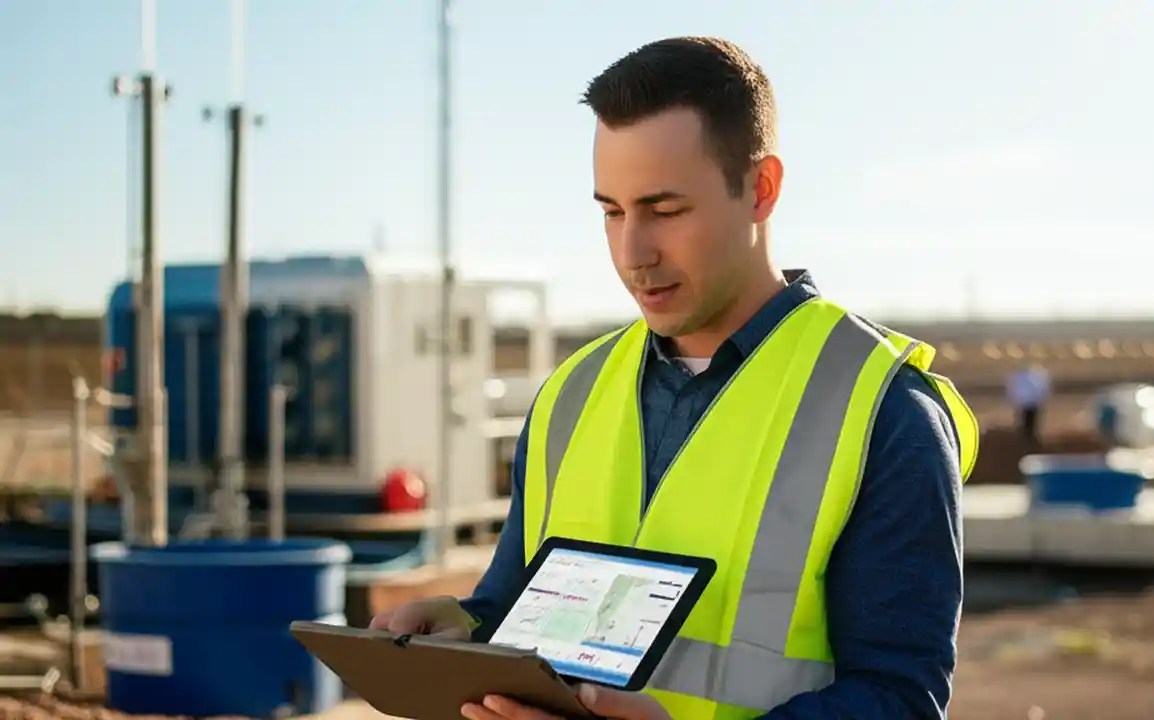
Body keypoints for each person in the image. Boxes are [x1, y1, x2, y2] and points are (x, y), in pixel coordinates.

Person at [371, 36, 979, 720]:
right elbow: (517, 608)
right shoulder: (571, 395)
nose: (632, 252)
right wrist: (466, 628)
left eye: (664, 210)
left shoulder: (884, 410)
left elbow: (900, 700)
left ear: (761, 189)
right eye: (611, 211)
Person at [1006, 363, 1051, 444]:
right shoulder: (1033, 376)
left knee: (1031, 423)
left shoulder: (1034, 376)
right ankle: (1026, 439)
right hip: (1026, 404)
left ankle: (1029, 439)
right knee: (1026, 423)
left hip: (1030, 404)